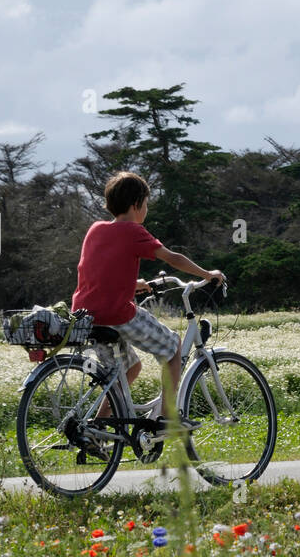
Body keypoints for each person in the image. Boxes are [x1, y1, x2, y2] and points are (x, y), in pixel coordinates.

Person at [71, 171, 223, 442]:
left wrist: (135, 283)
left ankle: (99, 427)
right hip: (118, 315)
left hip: (88, 316)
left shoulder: (95, 230)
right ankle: (166, 419)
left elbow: (101, 274)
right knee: (173, 348)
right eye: (147, 204)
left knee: (129, 369)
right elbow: (172, 257)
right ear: (136, 204)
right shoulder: (133, 231)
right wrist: (206, 274)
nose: (147, 210)